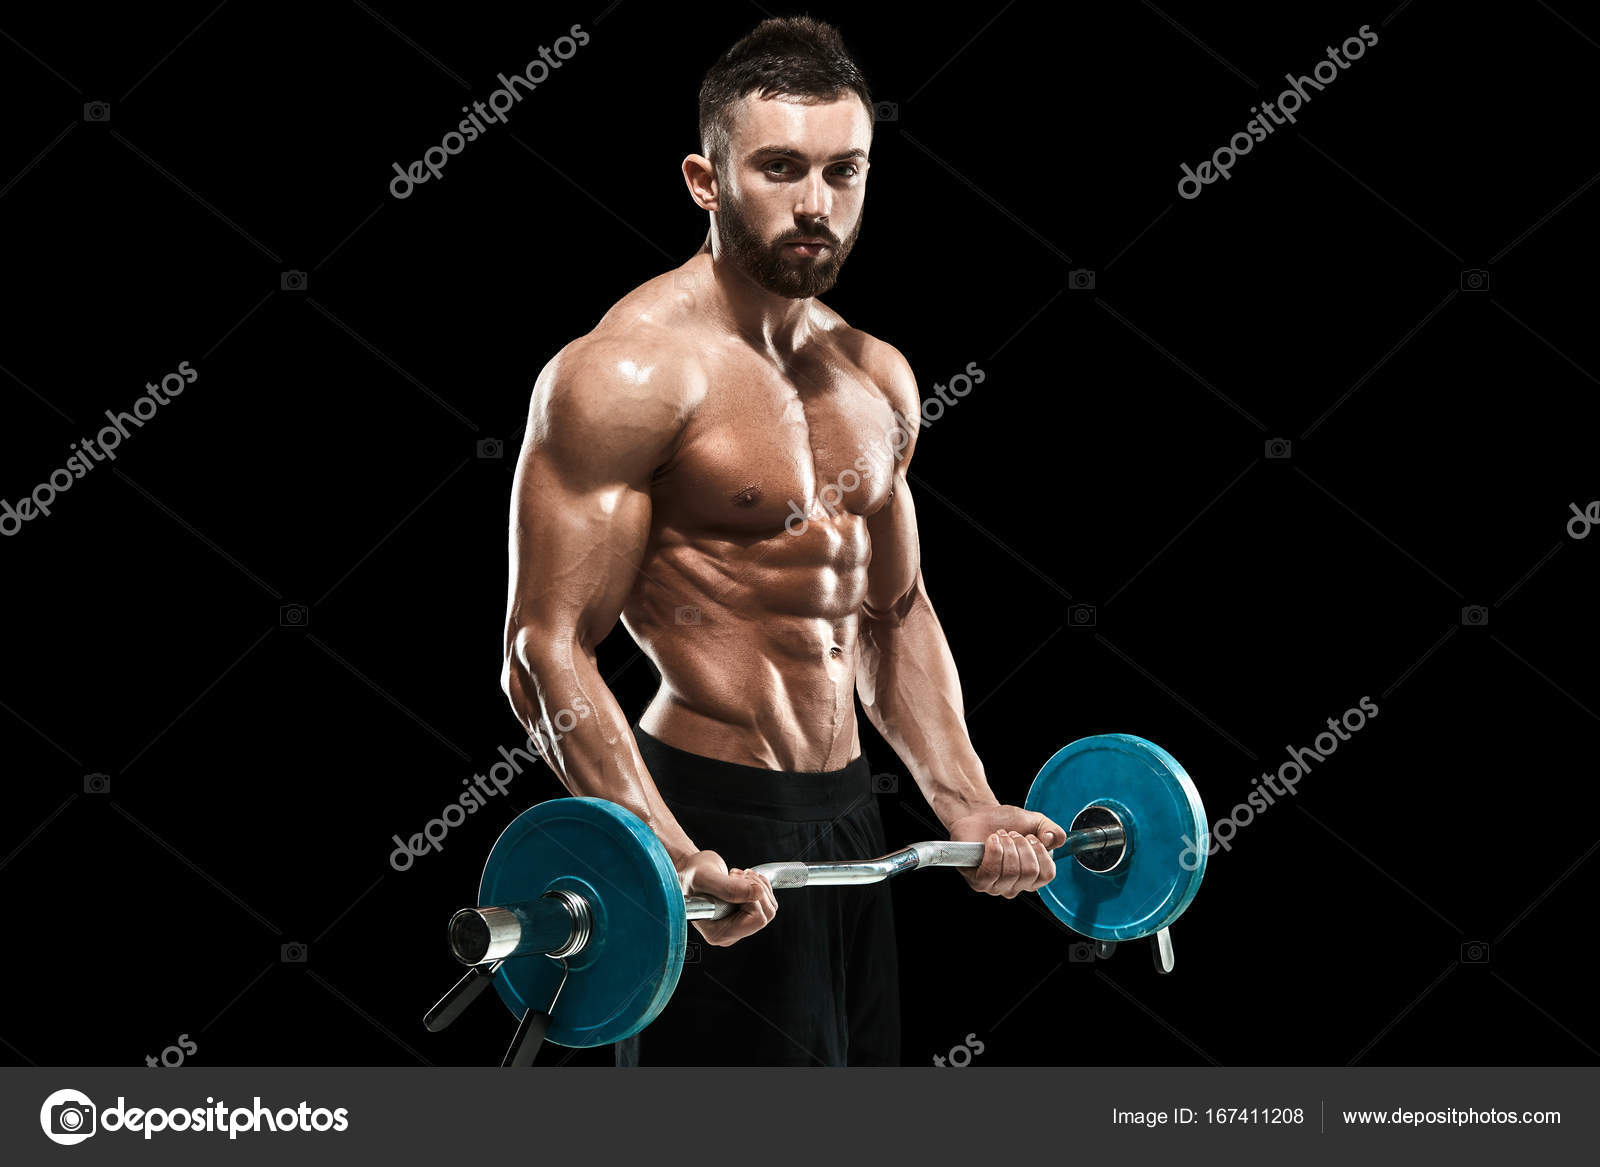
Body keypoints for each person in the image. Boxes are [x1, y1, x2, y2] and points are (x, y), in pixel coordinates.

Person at [501, 15, 1065, 1066]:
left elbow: (893, 613)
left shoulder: (877, 375)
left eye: (843, 171)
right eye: (780, 169)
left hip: (853, 821)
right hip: (713, 814)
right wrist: (663, 856)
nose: (816, 204)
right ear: (705, 180)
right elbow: (543, 649)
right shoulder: (628, 374)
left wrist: (967, 801)